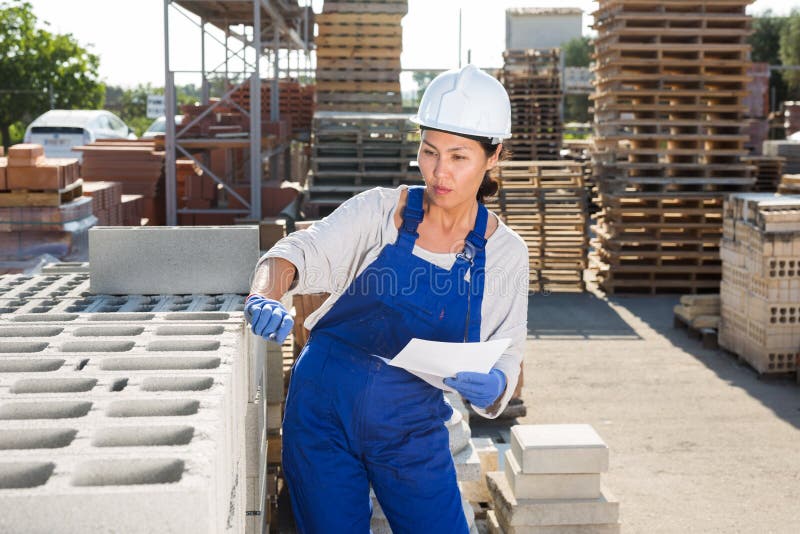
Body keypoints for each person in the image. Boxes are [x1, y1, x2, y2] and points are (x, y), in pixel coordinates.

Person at [245, 64, 529, 534]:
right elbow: (293, 254)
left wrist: (496, 382)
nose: (439, 171)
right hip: (322, 412)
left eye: (459, 157)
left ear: (493, 155)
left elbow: (508, 349)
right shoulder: (379, 212)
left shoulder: (503, 253)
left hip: (411, 427)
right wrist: (265, 295)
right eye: (429, 150)